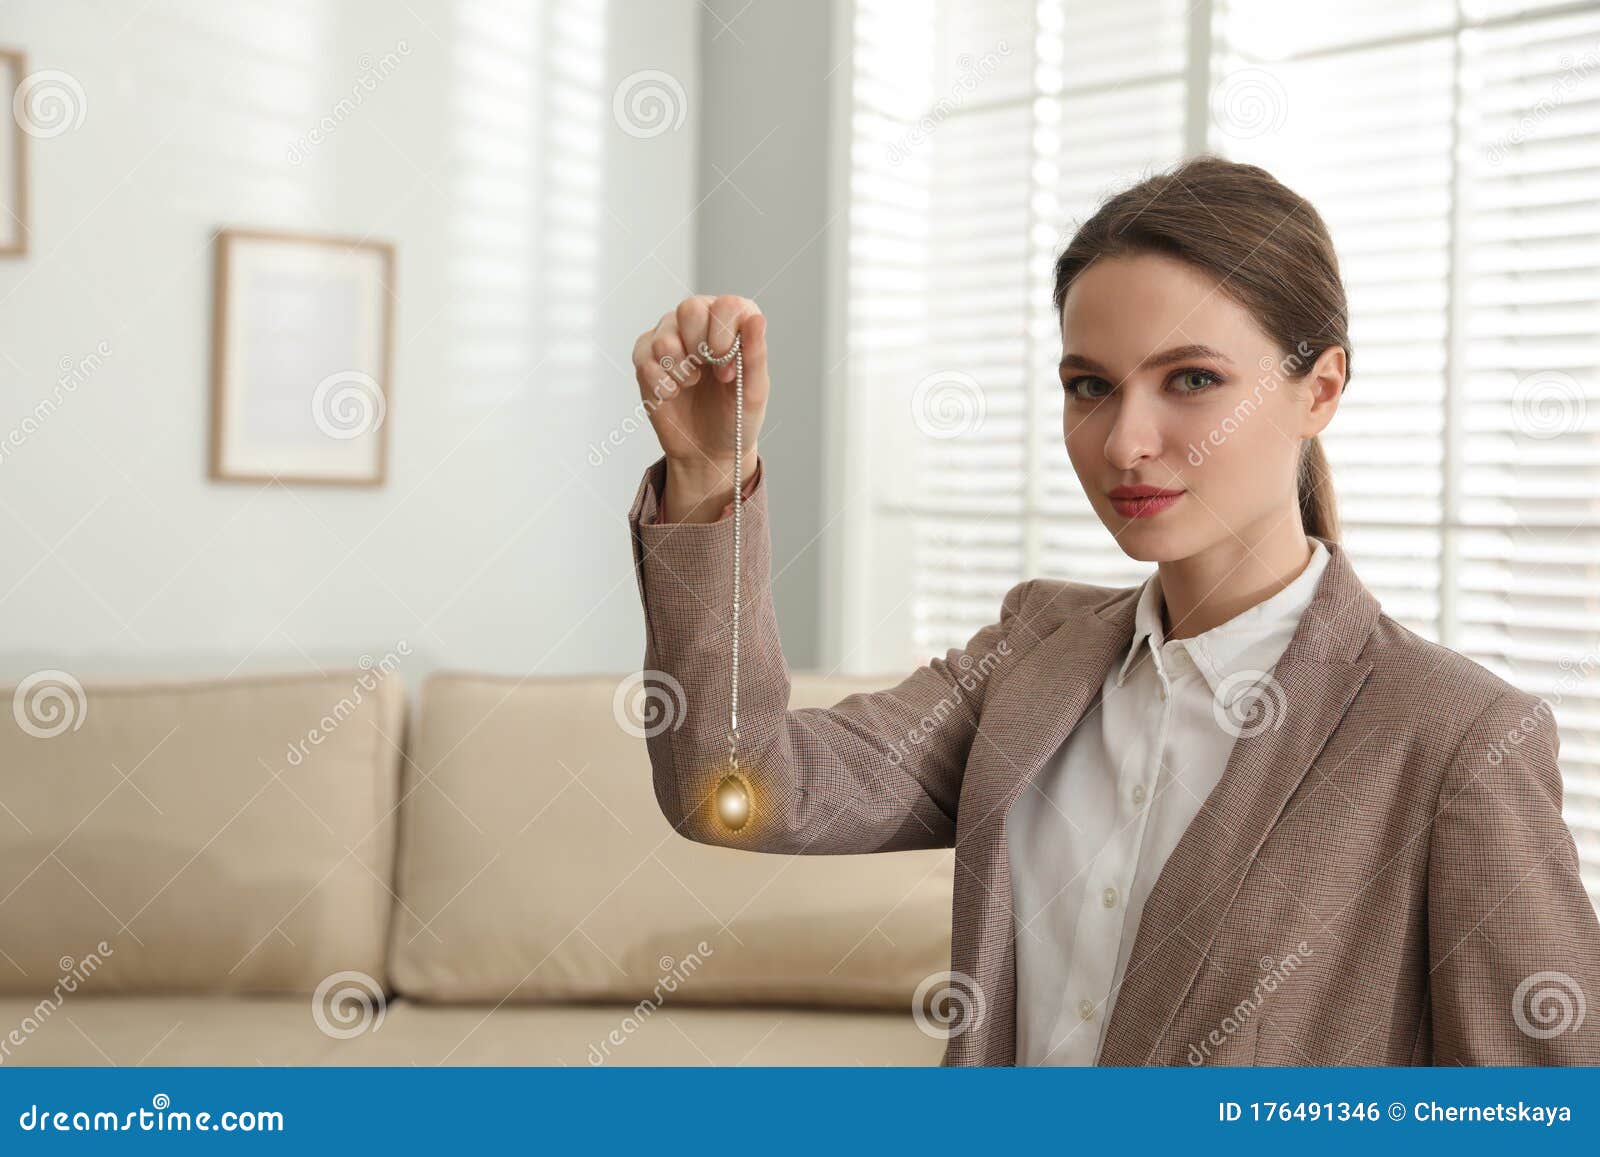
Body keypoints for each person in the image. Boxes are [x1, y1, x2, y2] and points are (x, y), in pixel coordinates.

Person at [624, 154, 1600, 1067]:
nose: (1124, 441)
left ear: (1321, 389)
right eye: (1089, 386)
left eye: (1191, 380)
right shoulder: (1031, 656)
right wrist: (710, 476)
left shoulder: (1454, 739)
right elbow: (735, 785)